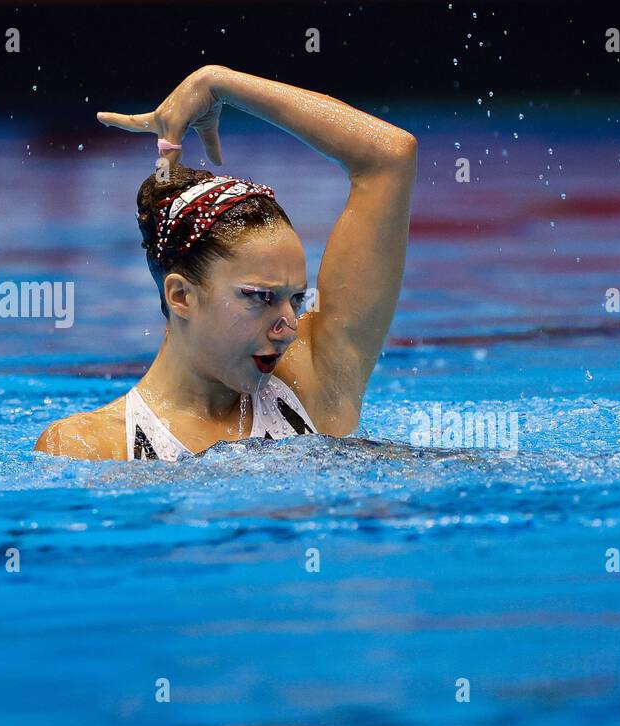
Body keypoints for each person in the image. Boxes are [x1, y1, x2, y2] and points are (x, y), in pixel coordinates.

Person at [34, 65, 417, 461]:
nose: (288, 329)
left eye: (297, 300)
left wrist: (220, 84)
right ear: (181, 295)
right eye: (261, 297)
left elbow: (389, 155)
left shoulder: (316, 381)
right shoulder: (92, 447)